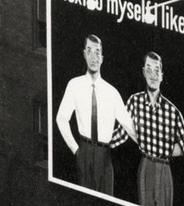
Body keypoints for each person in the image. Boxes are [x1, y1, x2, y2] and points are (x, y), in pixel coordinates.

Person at [111, 51, 184, 206]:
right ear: (143, 72)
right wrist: (100, 144)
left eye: (157, 70)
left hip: (165, 170)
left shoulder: (173, 111)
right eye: (149, 69)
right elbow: (121, 134)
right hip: (145, 165)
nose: (153, 74)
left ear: (162, 75)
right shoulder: (134, 101)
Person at [55, 34, 137, 195]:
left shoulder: (112, 93)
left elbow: (130, 126)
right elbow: (61, 118)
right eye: (90, 51)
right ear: (84, 54)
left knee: (106, 203)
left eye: (97, 52)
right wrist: (76, 149)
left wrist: (151, 147)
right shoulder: (74, 85)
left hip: (104, 154)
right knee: (85, 204)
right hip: (83, 151)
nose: (94, 57)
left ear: (102, 58)